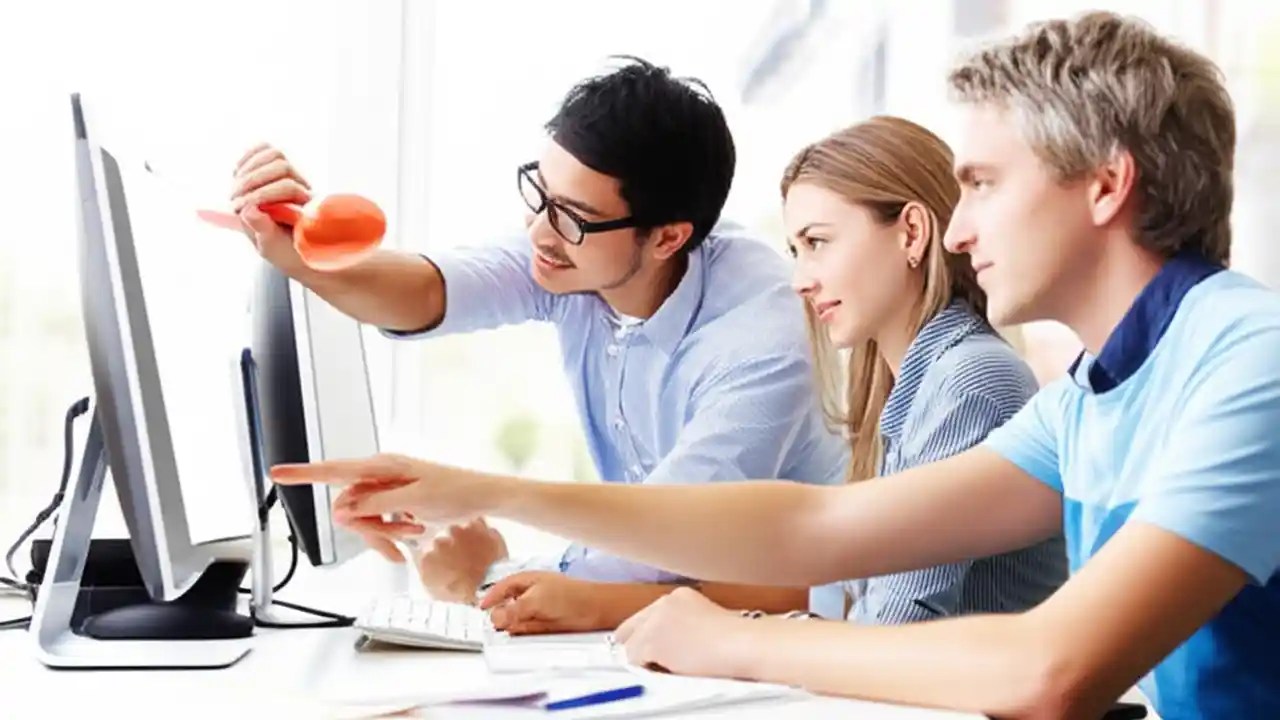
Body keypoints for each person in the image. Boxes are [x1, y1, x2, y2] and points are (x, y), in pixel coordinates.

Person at [272, 12, 1280, 719]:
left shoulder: (1249, 368)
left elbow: (1051, 668)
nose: (959, 227)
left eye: (979, 183)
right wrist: (479, 487)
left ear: (1104, 187)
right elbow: (814, 527)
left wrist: (728, 637)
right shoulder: (1096, 394)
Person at [229, 57, 847, 614]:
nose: (540, 232)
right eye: (539, 194)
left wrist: (489, 576)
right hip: (680, 617)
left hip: (799, 632)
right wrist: (303, 253)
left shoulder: (762, 341)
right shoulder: (579, 253)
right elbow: (430, 289)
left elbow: (669, 537)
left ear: (667, 238)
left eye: (572, 217)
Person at [484, 116, 1065, 634]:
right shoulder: (900, 389)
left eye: (818, 243)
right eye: (794, 249)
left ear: (911, 233)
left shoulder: (969, 381)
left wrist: (719, 641)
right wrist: (604, 604)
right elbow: (839, 597)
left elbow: (888, 629)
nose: (800, 279)